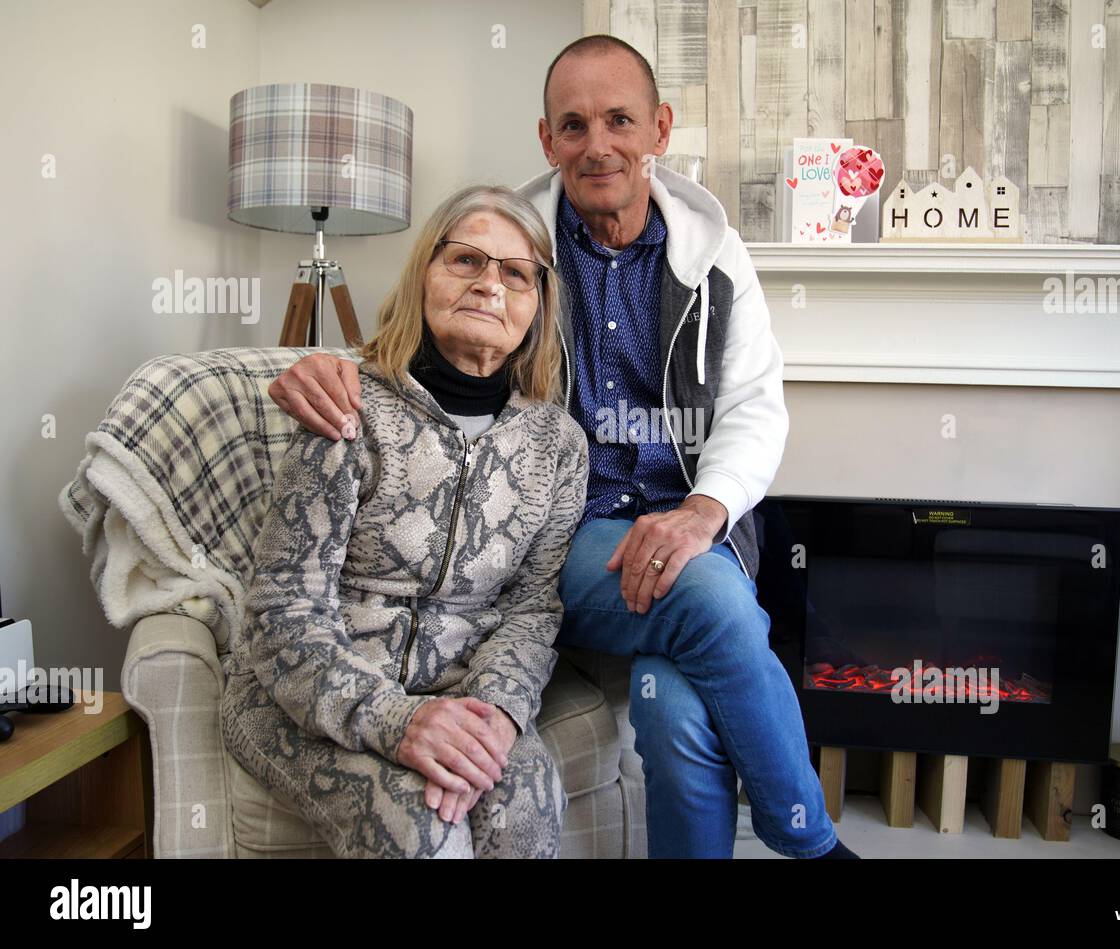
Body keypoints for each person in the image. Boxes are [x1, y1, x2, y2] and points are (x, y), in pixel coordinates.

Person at [267, 34, 856, 859]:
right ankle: (817, 847)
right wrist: (315, 367)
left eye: (620, 120)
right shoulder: (521, 253)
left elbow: (757, 406)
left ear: (660, 129)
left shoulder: (717, 257)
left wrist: (700, 513)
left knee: (675, 705)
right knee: (716, 604)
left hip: (687, 525)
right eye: (573, 125)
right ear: (548, 141)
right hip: (566, 540)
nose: (598, 145)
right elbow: (433, 343)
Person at [221, 184, 587, 858]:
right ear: (425, 271)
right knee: (425, 824)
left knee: (526, 799)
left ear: (539, 303)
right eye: (466, 260)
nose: (489, 284)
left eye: (515, 272)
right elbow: (282, 613)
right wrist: (401, 721)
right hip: (304, 701)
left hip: (461, 693)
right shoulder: (345, 406)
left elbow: (533, 609)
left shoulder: (557, 446)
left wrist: (497, 716)